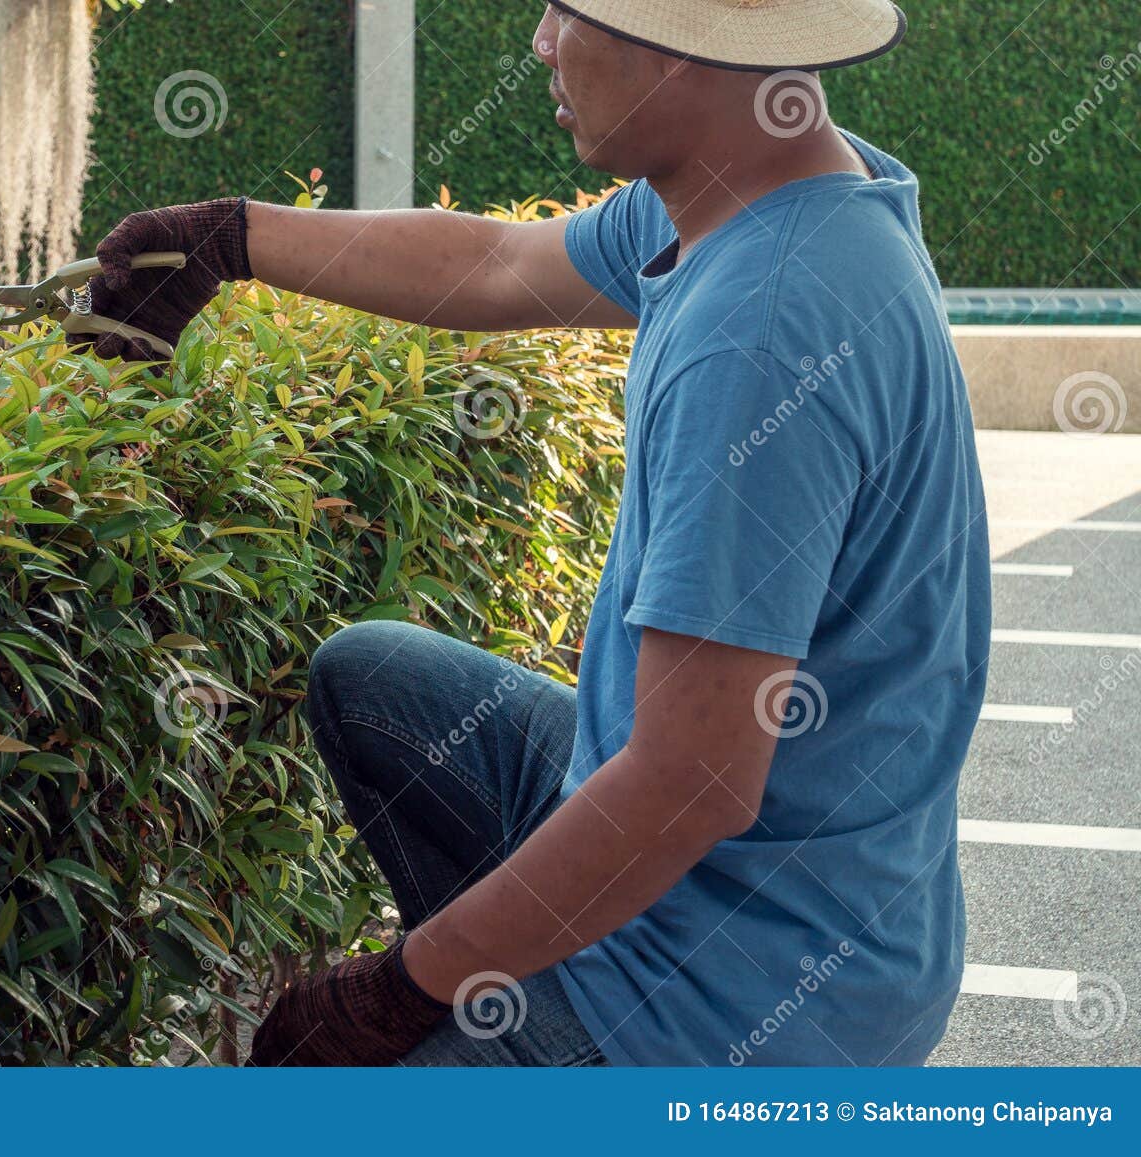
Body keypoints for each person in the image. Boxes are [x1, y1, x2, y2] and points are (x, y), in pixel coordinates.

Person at [90, 0, 990, 1066]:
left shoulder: (760, 329)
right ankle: (507, 983)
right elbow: (499, 266)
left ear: (688, 49)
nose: (541, 42)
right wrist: (226, 238)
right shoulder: (771, 193)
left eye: (570, 11)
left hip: (731, 1005)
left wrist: (399, 985)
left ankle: (527, 1030)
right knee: (372, 680)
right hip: (832, 905)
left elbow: (687, 785)